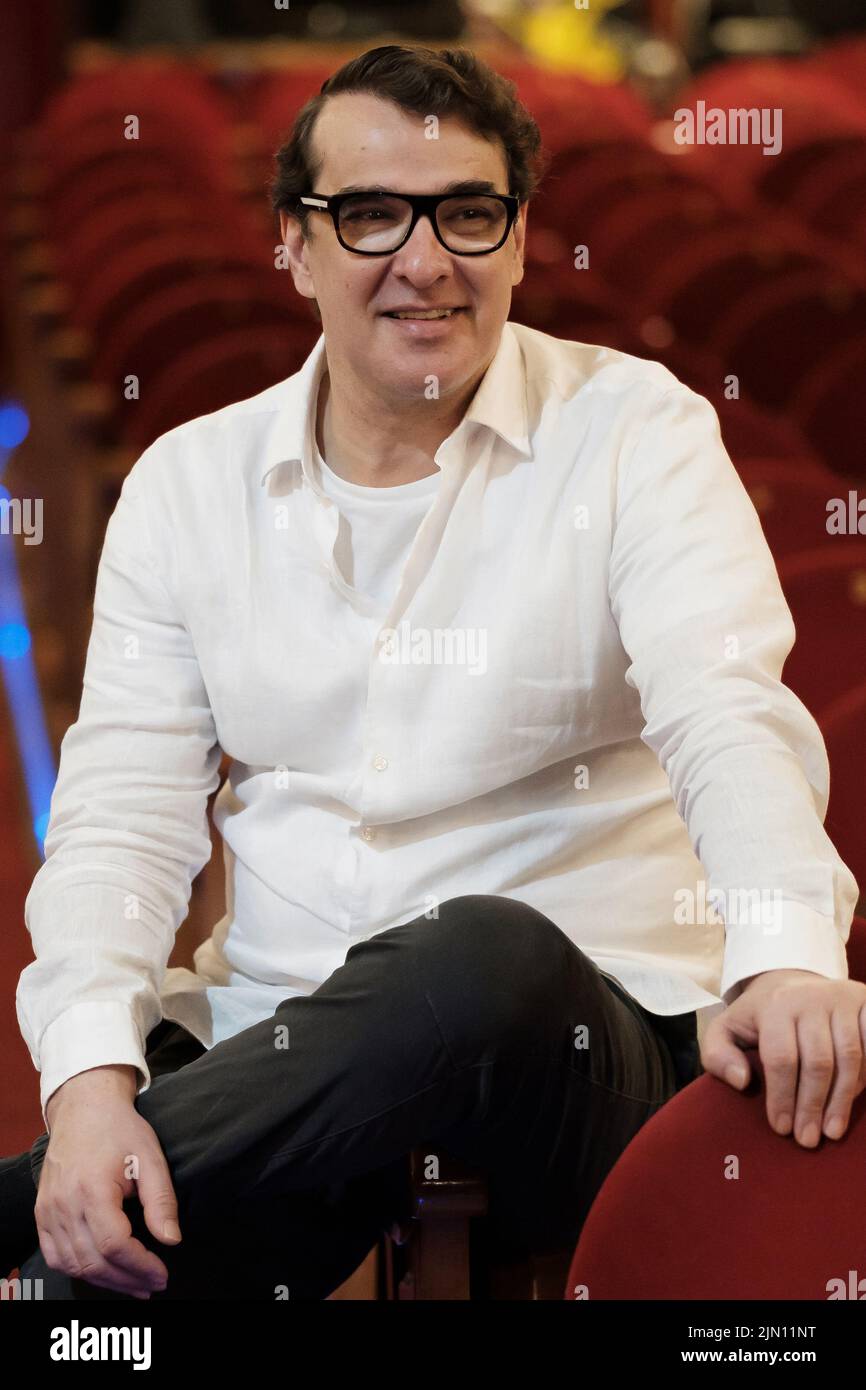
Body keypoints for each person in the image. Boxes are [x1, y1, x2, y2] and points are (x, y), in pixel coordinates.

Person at [2, 43, 863, 1301]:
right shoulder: (189, 487)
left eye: (468, 213)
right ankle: (58, 1258)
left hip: (575, 1042)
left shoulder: (640, 432)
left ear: (517, 242)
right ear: (292, 248)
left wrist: (786, 951)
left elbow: (722, 704)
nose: (424, 260)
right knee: (111, 1266)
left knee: (475, 959)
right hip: (286, 1044)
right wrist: (87, 1088)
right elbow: (122, 823)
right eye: (366, 217)